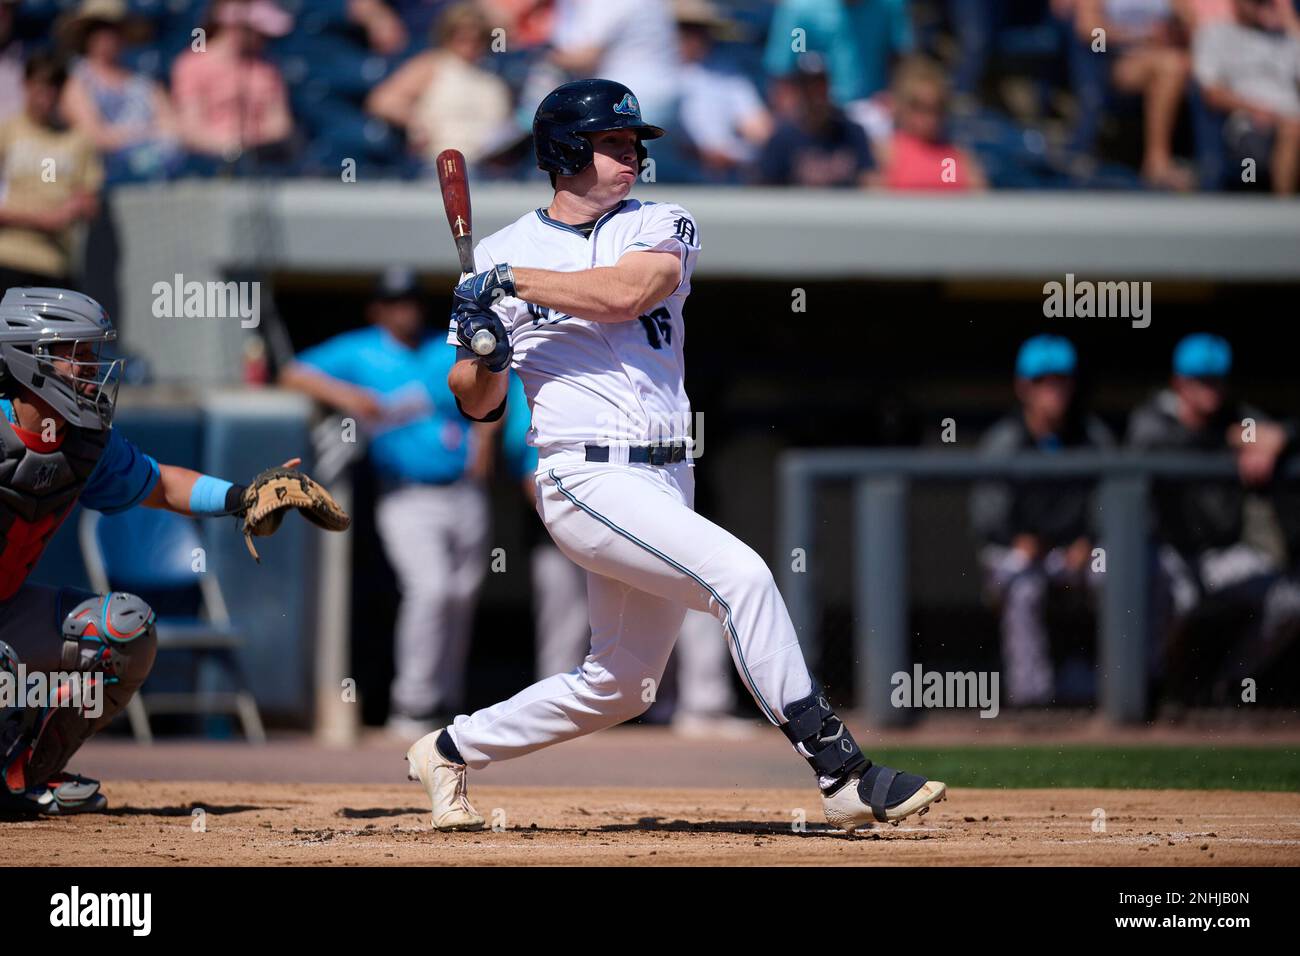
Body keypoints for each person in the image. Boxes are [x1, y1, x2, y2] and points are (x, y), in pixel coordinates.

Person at [403, 78, 946, 832]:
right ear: (564, 152)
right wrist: (487, 347)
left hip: (666, 472)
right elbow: (478, 402)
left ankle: (450, 747)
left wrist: (512, 287)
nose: (633, 157)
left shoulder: (661, 221)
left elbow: (630, 291)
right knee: (744, 578)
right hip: (581, 474)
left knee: (622, 684)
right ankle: (840, 770)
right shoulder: (498, 253)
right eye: (614, 145)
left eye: (635, 144)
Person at [0, 287, 330, 815]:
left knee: (126, 631)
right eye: (75, 356)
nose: (91, 370)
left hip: (9, 610)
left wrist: (242, 496)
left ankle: (26, 777)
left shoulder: (83, 442)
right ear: (28, 358)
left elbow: (163, 485)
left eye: (92, 355)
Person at [279, 268, 491, 736]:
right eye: (394, 303)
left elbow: (496, 385)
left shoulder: (444, 346)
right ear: (378, 309)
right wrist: (351, 396)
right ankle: (411, 705)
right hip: (405, 493)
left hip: (463, 489)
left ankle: (446, 702)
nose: (405, 311)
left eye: (412, 302)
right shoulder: (360, 350)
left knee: (461, 597)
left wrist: (485, 449)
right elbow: (291, 373)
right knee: (430, 589)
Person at [1126, 333, 1299, 699]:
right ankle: (1149, 689)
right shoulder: (1155, 419)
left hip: (1221, 555)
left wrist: (1277, 437)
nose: (1211, 390)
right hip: (1167, 555)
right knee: (1179, 595)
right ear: (1179, 383)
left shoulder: (1235, 418)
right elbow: (1162, 444)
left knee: (1291, 600)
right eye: (1200, 381)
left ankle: (1230, 687)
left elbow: (1266, 432)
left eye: (1216, 380)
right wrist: (1230, 440)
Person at [970, 335, 1114, 706]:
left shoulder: (1091, 435)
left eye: (1061, 381)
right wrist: (1017, 537)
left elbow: (1112, 498)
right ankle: (1031, 700)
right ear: (1024, 387)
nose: (1054, 391)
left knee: (1114, 571)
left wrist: (1090, 537)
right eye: (1043, 382)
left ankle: (1121, 688)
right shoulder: (1005, 439)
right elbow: (985, 513)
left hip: (1074, 552)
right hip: (1015, 554)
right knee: (1024, 585)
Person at [365, 2, 513, 168]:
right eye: (461, 37)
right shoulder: (432, 65)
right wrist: (415, 121)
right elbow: (381, 101)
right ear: (448, 35)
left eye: (476, 38)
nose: (470, 44)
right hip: (438, 164)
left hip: (484, 167)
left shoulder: (492, 78)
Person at [0, 53, 102, 291]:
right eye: (39, 87)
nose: (45, 97)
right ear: (26, 85)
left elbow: (89, 201)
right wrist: (42, 219)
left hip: (55, 263)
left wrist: (73, 209)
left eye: (52, 88)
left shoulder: (78, 140)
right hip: (8, 258)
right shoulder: (8, 131)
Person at [1071, 0, 1197, 190]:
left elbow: (1193, 24)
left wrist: (1175, 26)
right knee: (1171, 67)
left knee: (1179, 65)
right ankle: (1157, 162)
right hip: (1117, 61)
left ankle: (1212, 162)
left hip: (1167, 56)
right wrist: (1136, 36)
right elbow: (1088, 30)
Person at [56, 0, 184, 184]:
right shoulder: (77, 81)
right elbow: (93, 136)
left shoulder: (144, 83)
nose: (106, 37)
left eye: (113, 30)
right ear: (86, 36)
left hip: (153, 175)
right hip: (103, 177)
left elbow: (172, 129)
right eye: (98, 30)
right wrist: (146, 134)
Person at [1192, 0, 1300, 194]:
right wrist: (1256, 109)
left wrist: (1290, 21)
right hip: (1249, 122)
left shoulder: (1286, 36)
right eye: (1255, 2)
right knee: (1252, 163)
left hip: (1292, 117)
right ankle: (1285, 216)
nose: (1261, 6)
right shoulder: (1215, 33)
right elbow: (1211, 93)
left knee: (1292, 127)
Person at [169, 0, 293, 166]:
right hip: (209, 165)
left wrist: (250, 147)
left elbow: (279, 125)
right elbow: (191, 128)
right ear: (236, 27)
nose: (263, 39)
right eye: (258, 31)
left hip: (260, 162)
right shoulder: (191, 65)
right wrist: (230, 148)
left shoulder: (268, 68)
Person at [673, 0, 773, 182]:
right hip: (675, 170)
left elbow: (758, 128)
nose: (692, 37)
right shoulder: (659, 74)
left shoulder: (728, 73)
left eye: (698, 29)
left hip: (727, 172)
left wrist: (733, 155)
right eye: (684, 29)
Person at [547, 0, 680, 127]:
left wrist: (540, 55)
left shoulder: (609, 3)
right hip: (663, 96)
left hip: (630, 99)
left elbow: (586, 60)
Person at [758, 55, 875, 187]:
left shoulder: (852, 133)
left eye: (820, 86)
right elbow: (766, 189)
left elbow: (869, 181)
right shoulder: (782, 139)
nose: (815, 94)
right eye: (808, 87)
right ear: (799, 91)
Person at [875, 56, 988, 190]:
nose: (929, 118)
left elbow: (979, 199)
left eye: (936, 108)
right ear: (901, 106)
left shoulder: (958, 157)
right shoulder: (886, 153)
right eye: (918, 107)